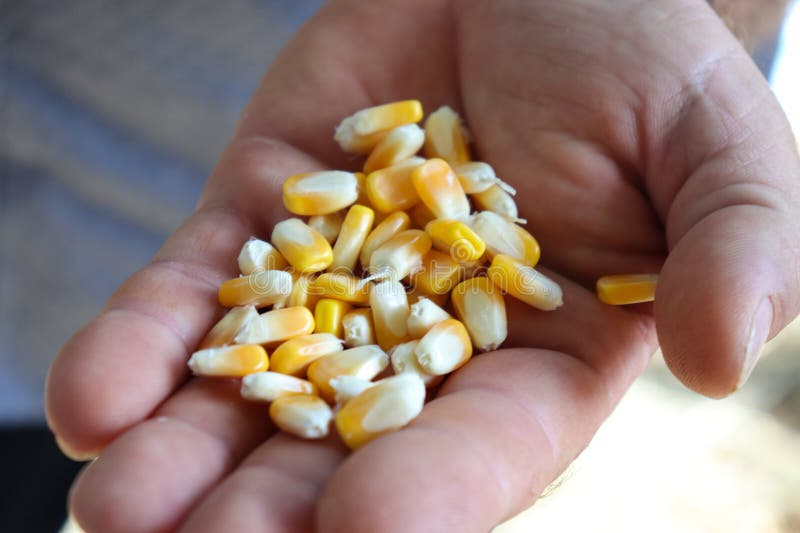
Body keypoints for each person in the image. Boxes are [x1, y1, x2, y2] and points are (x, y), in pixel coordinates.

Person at [45, 0, 800, 531]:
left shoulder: (432, 252)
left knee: (103, 462)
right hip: (65, 217)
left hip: (137, 257)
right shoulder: (360, 245)